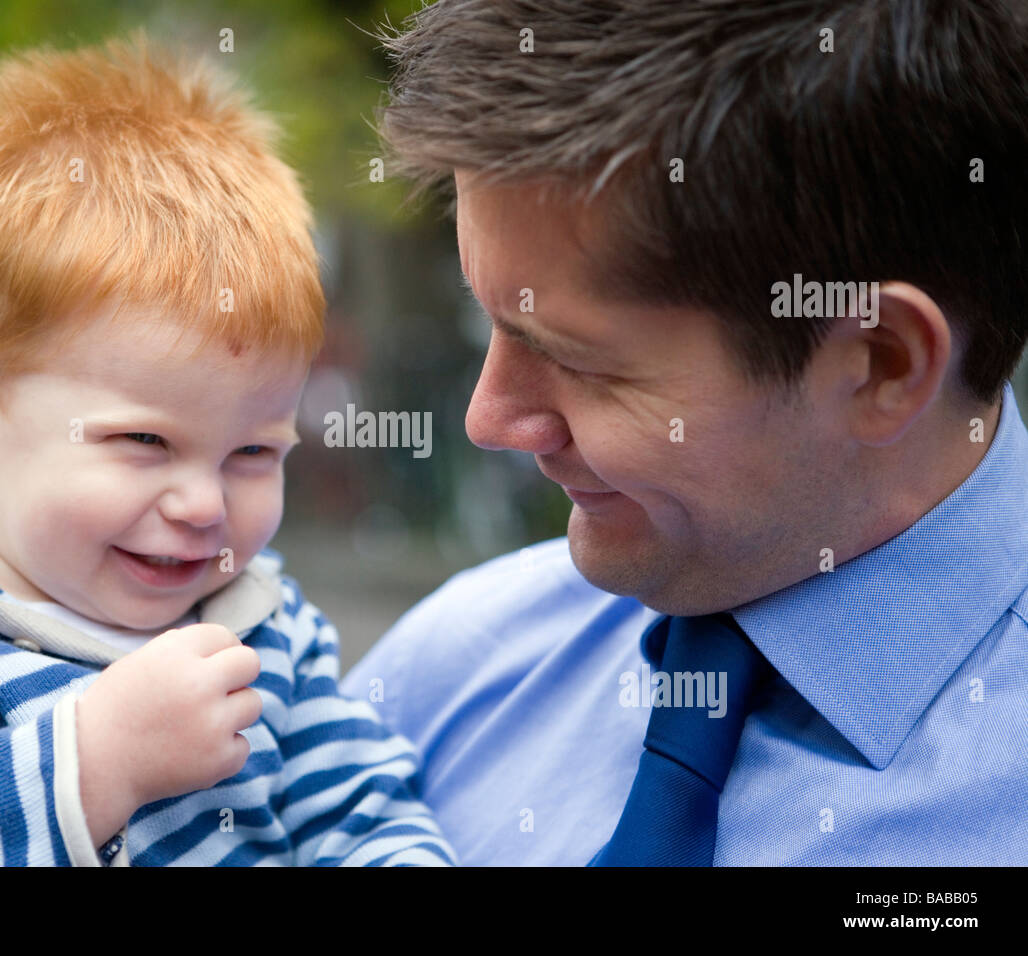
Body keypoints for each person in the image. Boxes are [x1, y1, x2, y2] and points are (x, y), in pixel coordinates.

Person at [0, 35, 455, 867]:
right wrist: (92, 762)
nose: (206, 506)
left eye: (254, 451)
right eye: (145, 441)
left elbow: (367, 820)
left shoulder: (265, 635)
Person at [341, 0, 1028, 864]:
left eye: (582, 362)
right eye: (494, 326)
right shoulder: (452, 673)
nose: (490, 420)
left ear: (880, 364)